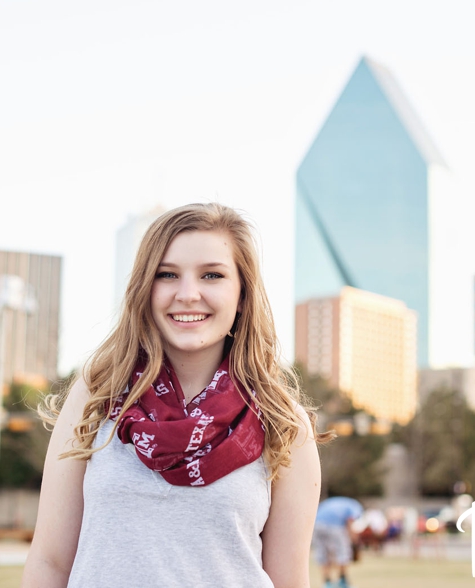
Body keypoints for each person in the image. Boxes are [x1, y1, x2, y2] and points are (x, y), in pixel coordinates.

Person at [22, 203, 330, 588]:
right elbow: (50, 562)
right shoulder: (96, 394)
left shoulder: (282, 421)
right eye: (167, 274)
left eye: (212, 275)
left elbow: (289, 581)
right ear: (145, 288)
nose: (188, 294)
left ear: (242, 294)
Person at [312, 496, 364, 588]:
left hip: (316, 524)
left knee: (323, 553)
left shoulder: (340, 502)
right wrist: (355, 542)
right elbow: (350, 522)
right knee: (343, 551)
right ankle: (343, 581)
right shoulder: (356, 507)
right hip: (334, 525)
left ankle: (327, 582)